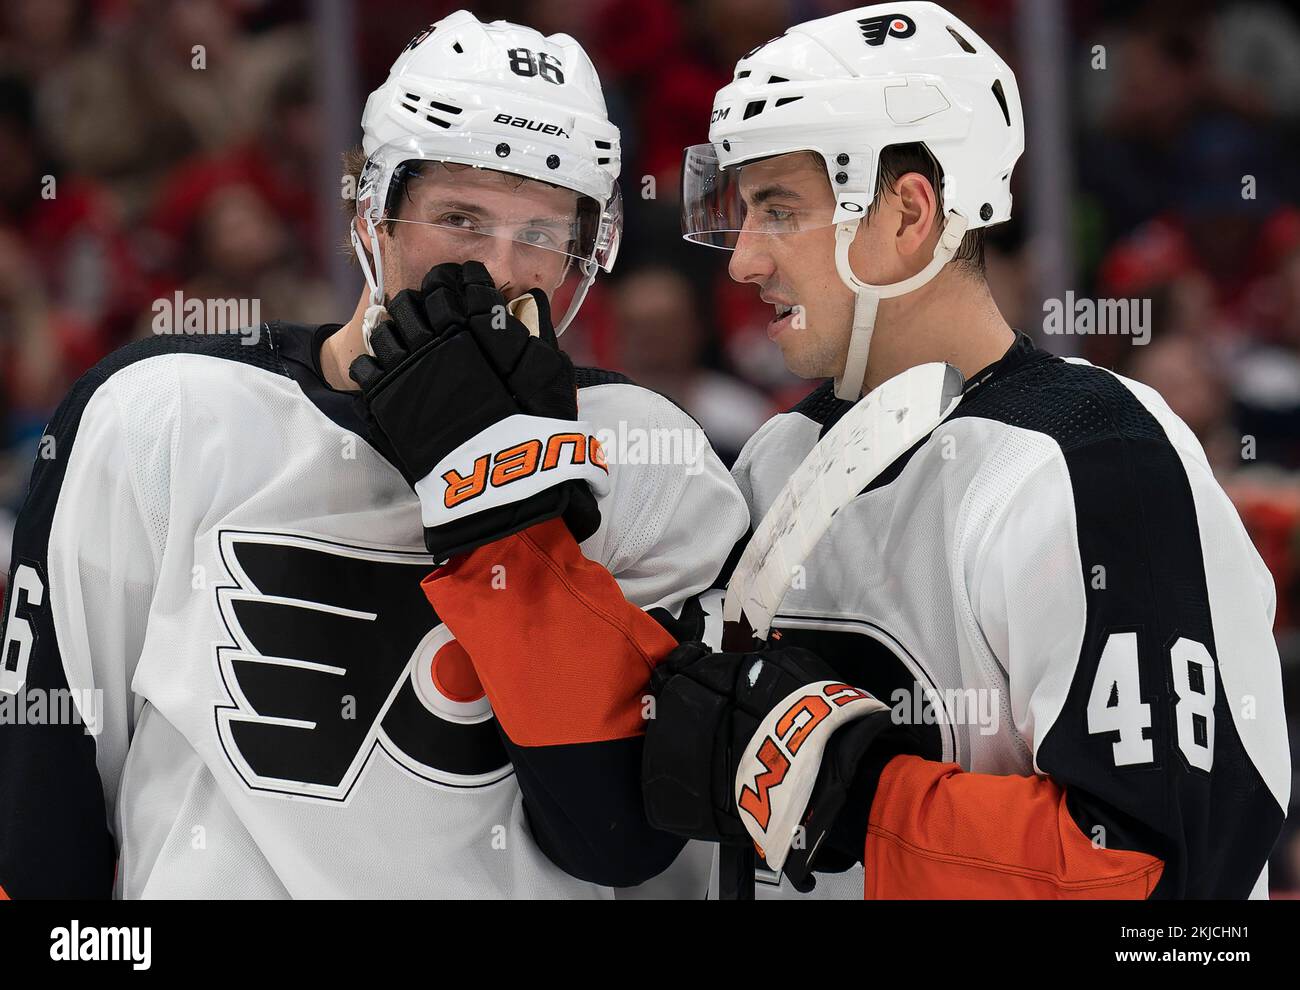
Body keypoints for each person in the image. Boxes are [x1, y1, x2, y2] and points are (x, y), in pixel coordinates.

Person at [0, 10, 745, 899]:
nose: (500, 271)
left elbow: (618, 839)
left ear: (589, 251)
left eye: (543, 235)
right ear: (373, 212)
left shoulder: (646, 462)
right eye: (460, 218)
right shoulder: (163, 413)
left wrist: (504, 512)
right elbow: (43, 817)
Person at [641, 1, 1290, 899]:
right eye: (744, 210)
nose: (744, 260)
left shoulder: (1096, 462)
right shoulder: (775, 456)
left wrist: (853, 794)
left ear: (909, 214)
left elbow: (1160, 872)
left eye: (779, 210)